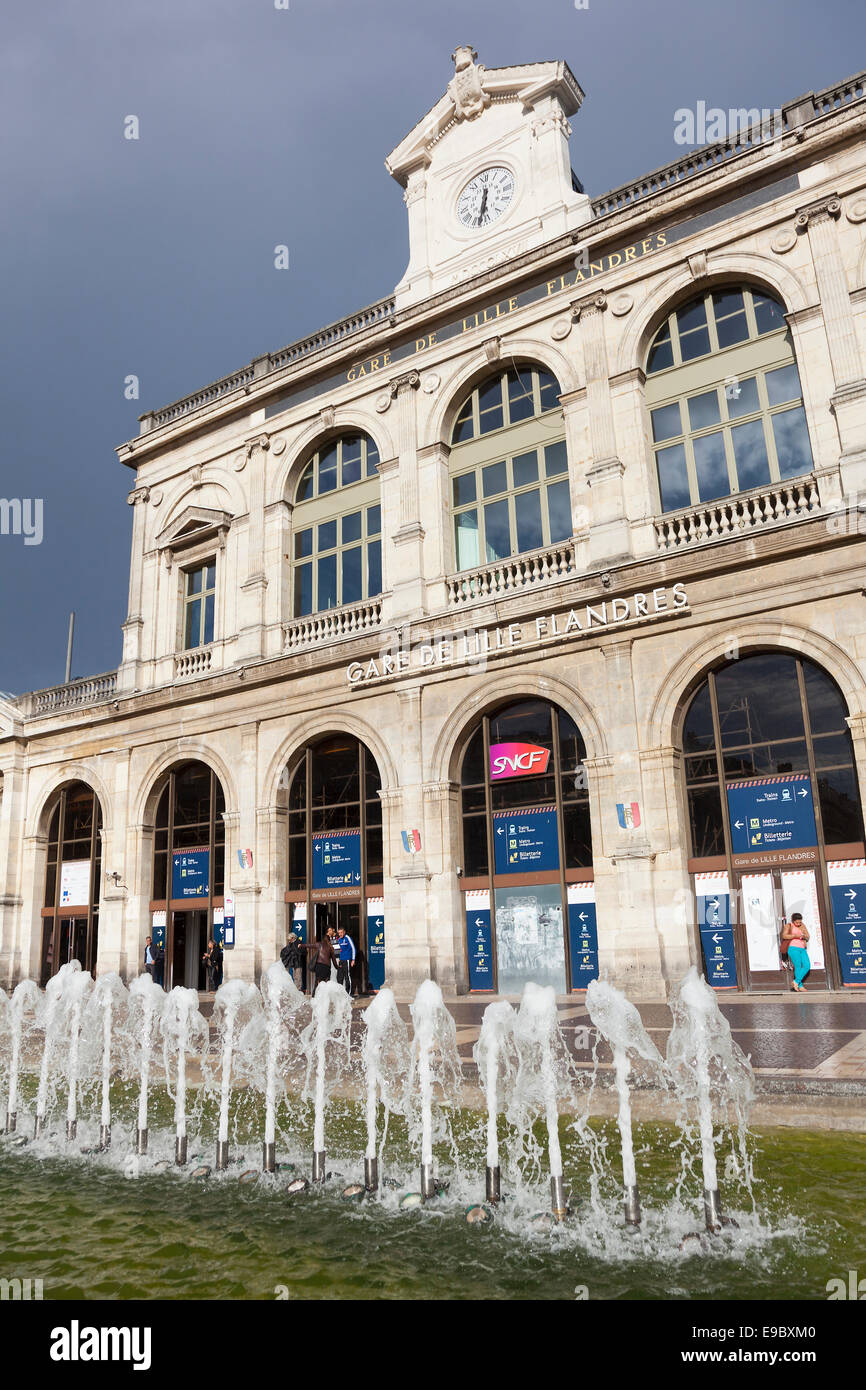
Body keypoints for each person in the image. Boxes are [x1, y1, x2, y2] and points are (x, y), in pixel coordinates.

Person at [781, 912, 811, 992]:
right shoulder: (789, 926)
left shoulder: (802, 926)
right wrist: (795, 936)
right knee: (798, 966)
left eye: (800, 922)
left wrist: (804, 936)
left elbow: (808, 936)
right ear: (793, 921)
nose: (798, 924)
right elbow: (784, 935)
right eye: (797, 922)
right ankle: (800, 986)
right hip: (792, 947)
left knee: (807, 965)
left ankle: (796, 982)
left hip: (802, 948)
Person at [311, 932, 338, 996]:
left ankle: (314, 996)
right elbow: (334, 960)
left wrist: (301, 945)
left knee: (317, 982)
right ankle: (325, 996)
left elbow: (310, 945)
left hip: (319, 966)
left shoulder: (319, 944)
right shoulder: (331, 948)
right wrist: (337, 967)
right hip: (326, 967)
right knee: (326, 983)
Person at [335, 925, 356, 996]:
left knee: (347, 976)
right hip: (341, 960)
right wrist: (338, 959)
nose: (340, 934)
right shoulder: (339, 939)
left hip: (347, 960)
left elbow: (353, 949)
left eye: (341, 932)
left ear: (344, 932)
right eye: (339, 933)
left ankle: (348, 995)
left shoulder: (347, 938)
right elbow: (338, 950)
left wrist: (353, 960)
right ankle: (341, 994)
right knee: (339, 977)